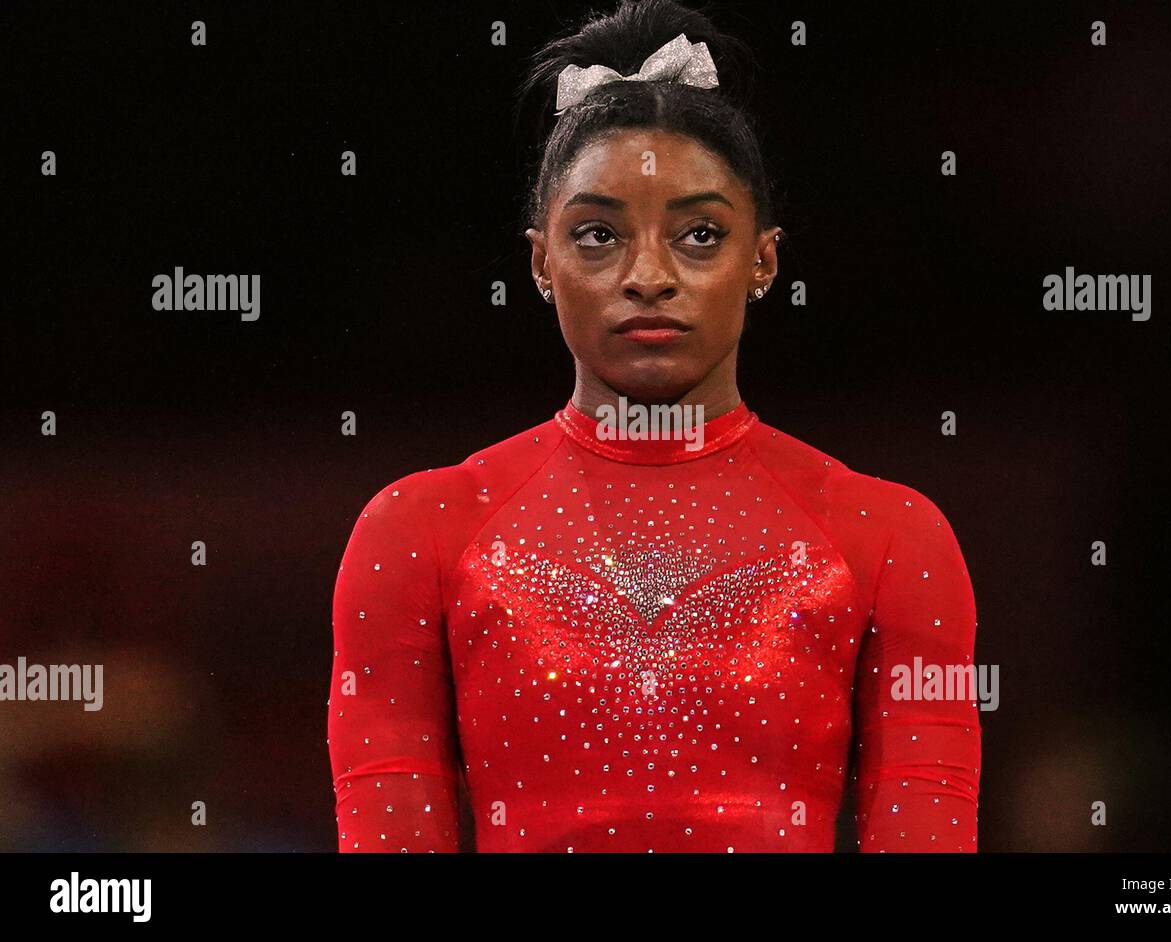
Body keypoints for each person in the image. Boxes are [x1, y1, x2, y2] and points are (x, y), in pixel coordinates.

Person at [327, 0, 980, 852]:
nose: (647, 276)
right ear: (539, 262)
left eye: (699, 235)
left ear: (764, 260)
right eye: (597, 235)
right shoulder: (416, 532)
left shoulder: (891, 536)